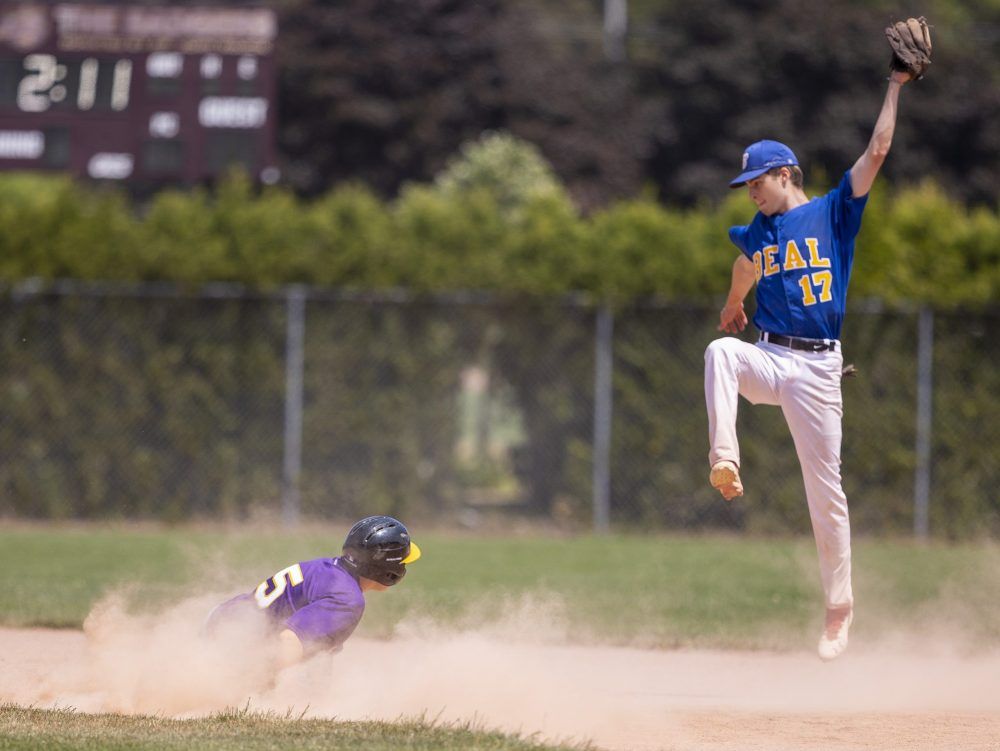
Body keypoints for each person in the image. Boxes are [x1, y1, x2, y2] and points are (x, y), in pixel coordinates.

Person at [703, 67, 914, 661]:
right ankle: (725, 459)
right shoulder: (760, 231)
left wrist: (895, 84)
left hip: (820, 372)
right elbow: (746, 263)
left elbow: (878, 149)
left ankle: (839, 611)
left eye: (758, 180)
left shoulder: (832, 212)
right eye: (746, 184)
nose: (751, 191)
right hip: (770, 356)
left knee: (826, 492)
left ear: (786, 173)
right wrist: (733, 303)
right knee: (720, 351)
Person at [205, 515, 421, 670]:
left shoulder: (330, 568)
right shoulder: (346, 600)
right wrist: (247, 683)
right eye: (403, 560)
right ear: (389, 568)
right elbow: (288, 643)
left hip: (225, 618)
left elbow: (317, 646)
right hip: (230, 645)